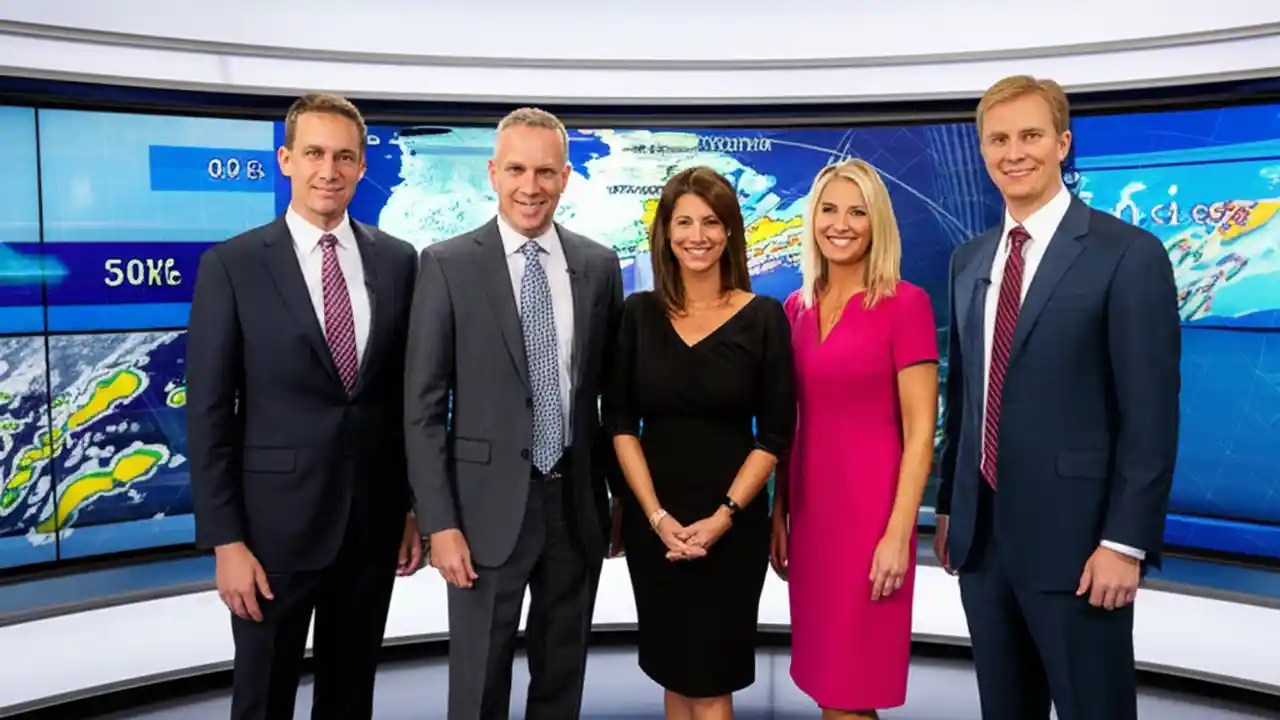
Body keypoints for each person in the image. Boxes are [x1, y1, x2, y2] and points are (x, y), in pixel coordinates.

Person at [934, 75, 1181, 720]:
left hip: (1081, 551)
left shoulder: (1128, 255)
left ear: (1063, 144)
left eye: (1031, 135)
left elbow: (1149, 415)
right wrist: (951, 512)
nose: (1014, 153)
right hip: (983, 549)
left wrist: (1125, 543)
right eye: (998, 139)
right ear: (983, 152)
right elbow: (964, 397)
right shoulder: (969, 260)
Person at [186, 92, 424, 720]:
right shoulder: (232, 265)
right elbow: (209, 415)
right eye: (315, 153)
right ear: (285, 159)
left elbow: (404, 400)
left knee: (350, 700)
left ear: (363, 165)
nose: (330, 170)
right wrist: (226, 542)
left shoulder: (400, 261)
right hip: (270, 537)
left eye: (345, 156)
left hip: (371, 528)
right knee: (263, 701)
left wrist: (408, 508)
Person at [403, 107, 624, 720]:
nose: (531, 187)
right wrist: (438, 523)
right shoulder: (446, 265)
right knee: (478, 690)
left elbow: (607, 398)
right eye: (518, 170)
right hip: (479, 518)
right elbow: (421, 408)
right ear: (493, 173)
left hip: (575, 510)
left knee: (561, 685)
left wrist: (617, 501)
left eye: (546, 172)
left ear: (566, 178)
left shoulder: (600, 267)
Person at [604, 166, 796, 719]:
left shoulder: (763, 318)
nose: (697, 235)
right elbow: (619, 424)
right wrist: (657, 516)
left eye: (711, 222)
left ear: (731, 231)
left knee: (711, 681)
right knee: (674, 672)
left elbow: (775, 433)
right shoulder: (638, 314)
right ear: (665, 231)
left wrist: (724, 516)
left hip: (731, 528)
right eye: (683, 221)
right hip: (655, 525)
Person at [770, 159, 939, 719]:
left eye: (857, 212)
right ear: (812, 218)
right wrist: (780, 514)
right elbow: (789, 424)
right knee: (827, 685)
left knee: (851, 691)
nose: (840, 224)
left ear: (877, 224)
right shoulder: (797, 308)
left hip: (871, 523)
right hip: (813, 518)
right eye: (829, 209)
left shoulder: (905, 304)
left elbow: (920, 435)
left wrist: (899, 535)